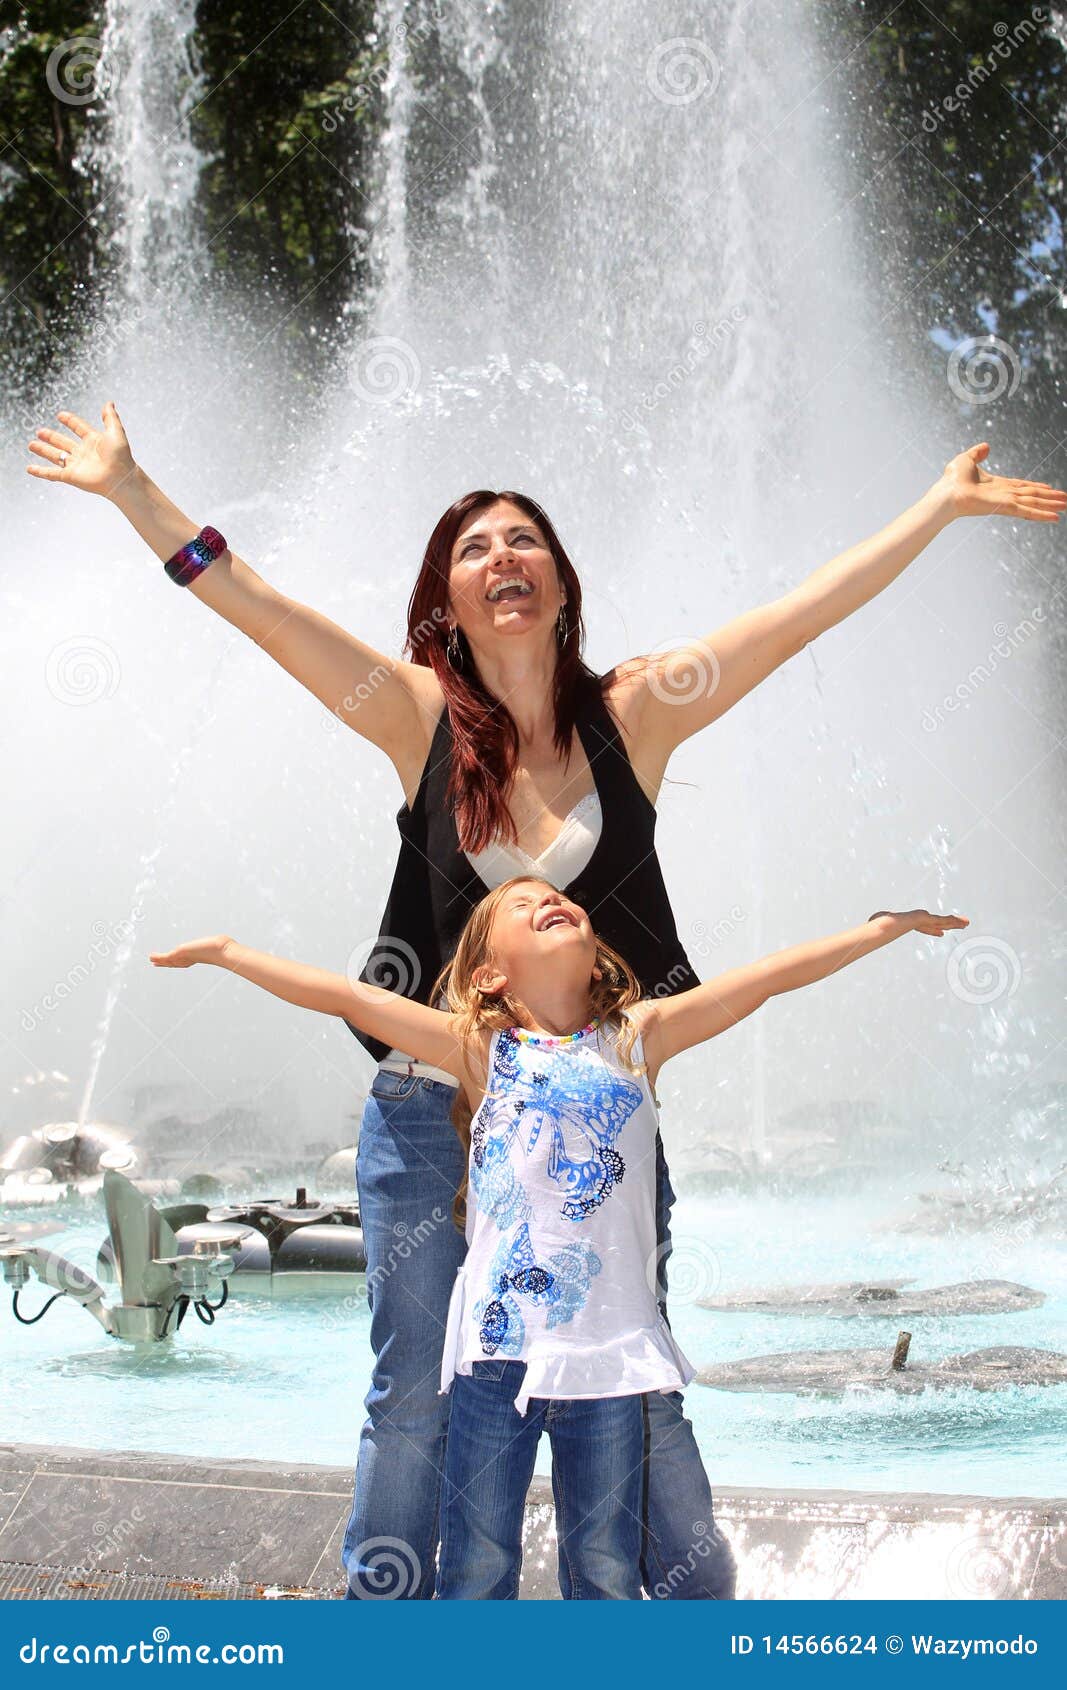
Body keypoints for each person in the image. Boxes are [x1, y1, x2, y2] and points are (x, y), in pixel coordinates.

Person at [26, 403, 1063, 1599]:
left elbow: (802, 615)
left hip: (593, 1128)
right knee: (414, 1399)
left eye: (523, 540)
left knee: (630, 1380)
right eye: (473, 549)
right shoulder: (413, 716)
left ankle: (671, 1633)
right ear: (447, 602)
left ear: (560, 582)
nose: (501, 558)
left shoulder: (637, 710)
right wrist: (133, 490)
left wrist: (935, 508)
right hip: (429, 1117)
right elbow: (255, 606)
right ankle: (397, 1643)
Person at [148, 877, 968, 1598]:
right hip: (492, 1361)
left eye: (557, 899)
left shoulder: (636, 1040)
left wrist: (877, 932)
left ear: (594, 954)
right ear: (489, 975)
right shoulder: (478, 1048)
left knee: (604, 1570)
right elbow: (350, 998)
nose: (548, 899)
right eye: (522, 904)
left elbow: (764, 980)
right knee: (475, 1565)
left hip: (609, 1360)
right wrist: (229, 951)